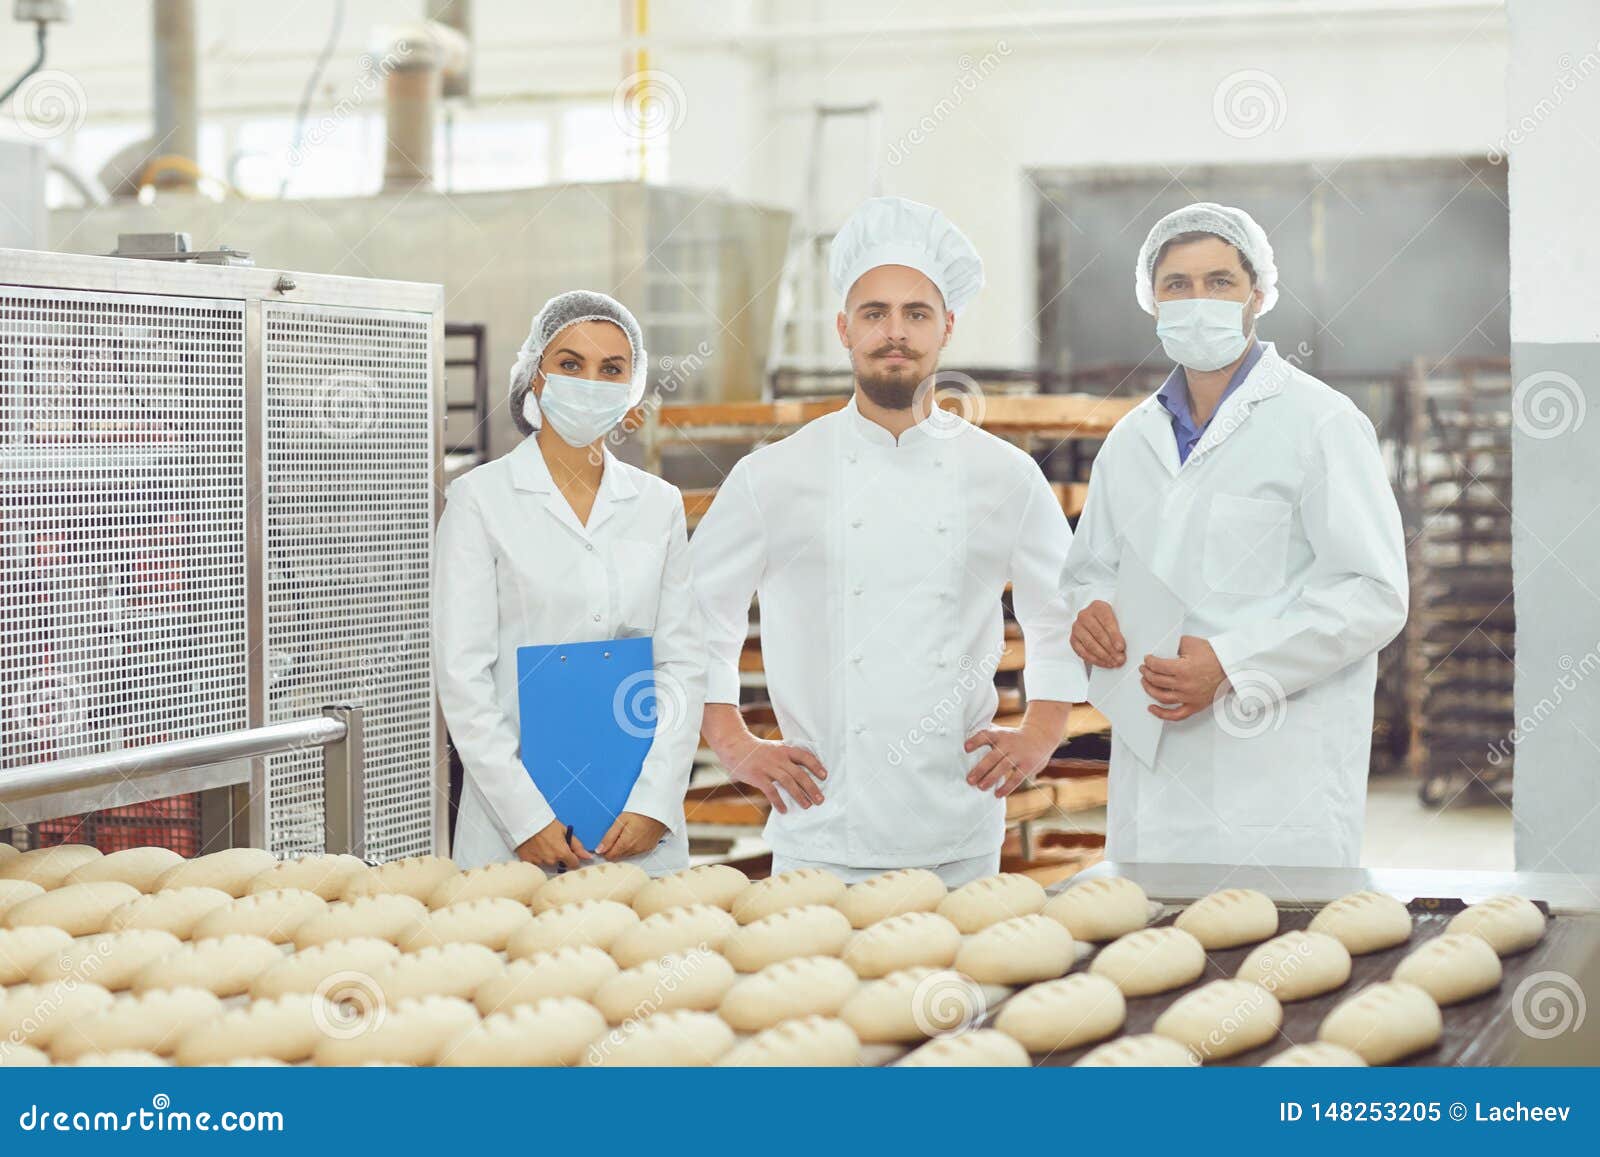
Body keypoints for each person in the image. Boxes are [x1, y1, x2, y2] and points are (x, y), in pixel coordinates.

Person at [691, 196, 1085, 887]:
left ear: (947, 327)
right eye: (874, 313)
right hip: (821, 829)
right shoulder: (773, 475)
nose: (894, 332)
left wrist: (1042, 730)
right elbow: (697, 614)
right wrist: (731, 741)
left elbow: (1062, 611)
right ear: (844, 328)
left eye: (916, 314)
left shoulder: (1004, 475)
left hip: (959, 828)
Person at [1061, 202, 1408, 868]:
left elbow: (1373, 594)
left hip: (1277, 785)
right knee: (1148, 927)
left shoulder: (1321, 423)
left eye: (1219, 282)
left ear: (1259, 294)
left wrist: (1231, 663)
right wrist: (1089, 612)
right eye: (1177, 285)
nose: (1198, 301)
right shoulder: (1131, 439)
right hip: (1153, 781)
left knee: (1278, 933)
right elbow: (1089, 571)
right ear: (1152, 301)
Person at [432, 290, 704, 874]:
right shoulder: (480, 500)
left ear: (632, 386)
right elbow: (462, 676)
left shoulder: (658, 504)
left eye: (612, 369)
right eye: (571, 364)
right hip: (515, 829)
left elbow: (681, 663)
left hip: (636, 822)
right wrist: (525, 818)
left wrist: (655, 802)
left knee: (648, 934)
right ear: (536, 375)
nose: (591, 382)